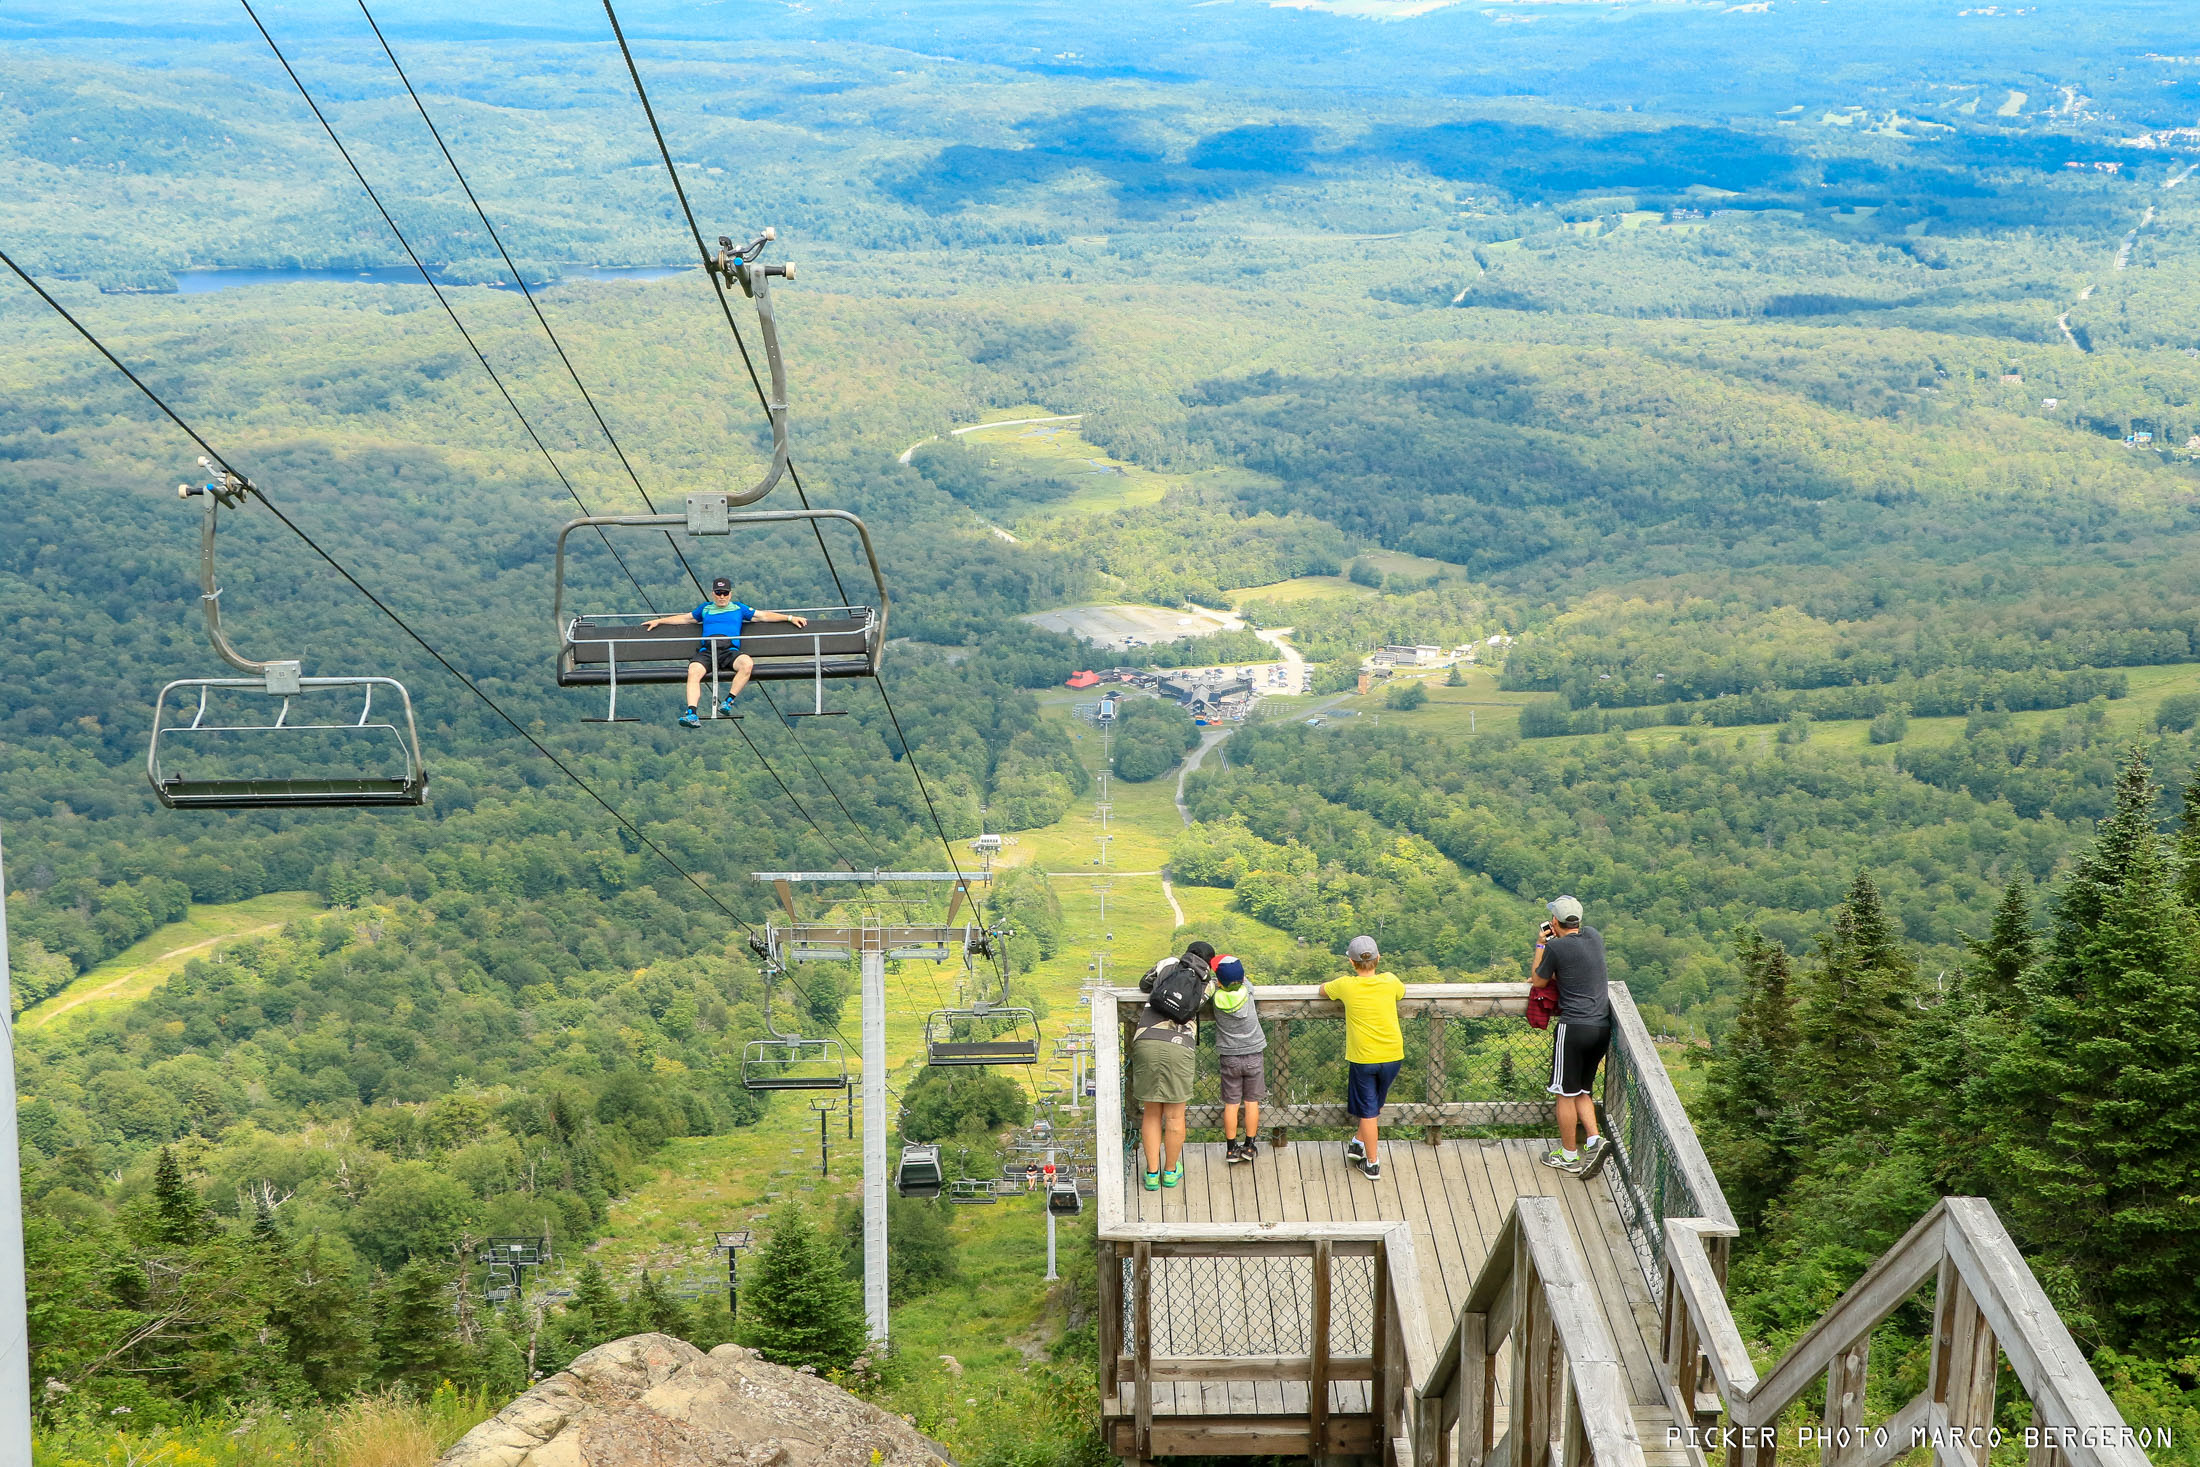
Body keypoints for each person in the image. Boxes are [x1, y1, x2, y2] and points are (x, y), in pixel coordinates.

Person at [643, 578, 808, 728]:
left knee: (747, 664)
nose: (722, 596)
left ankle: (728, 701)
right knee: (693, 671)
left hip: (729, 651)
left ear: (730, 594)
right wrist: (659, 621)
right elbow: (685, 619)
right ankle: (691, 713)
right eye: (718, 593)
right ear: (713, 594)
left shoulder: (739, 608)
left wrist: (789, 618)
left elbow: (763, 616)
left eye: (725, 593)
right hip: (707, 651)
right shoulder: (705, 609)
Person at [1532, 895, 1613, 1177]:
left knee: (1564, 1093)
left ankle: (1567, 1155)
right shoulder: (1593, 936)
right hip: (1601, 1026)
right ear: (1578, 920)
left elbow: (1539, 980)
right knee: (1582, 1089)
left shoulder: (1556, 947)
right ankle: (1593, 1140)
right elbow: (1577, 968)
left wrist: (1542, 943)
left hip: (1574, 1026)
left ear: (1554, 922)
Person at [1133, 941, 1216, 1191]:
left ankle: (1151, 1173)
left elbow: (1144, 984)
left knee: (1151, 1113)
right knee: (1175, 1115)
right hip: (1180, 1045)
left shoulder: (1168, 964)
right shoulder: (1208, 983)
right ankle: (1170, 1172)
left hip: (1147, 1038)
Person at [1322, 935, 1404, 1181]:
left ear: (1351, 962)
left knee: (1369, 1111)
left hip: (1364, 1058)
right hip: (1392, 1055)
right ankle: (1358, 1141)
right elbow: (1401, 993)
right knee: (1373, 1106)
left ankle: (1372, 1163)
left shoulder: (1345, 985)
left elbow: (1323, 990)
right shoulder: (1390, 981)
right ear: (1379, 958)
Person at [1211, 955, 1266, 1164]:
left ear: (1219, 982)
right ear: (1242, 980)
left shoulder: (1216, 998)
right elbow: (1246, 982)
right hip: (1254, 1054)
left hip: (1229, 1057)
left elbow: (1215, 987)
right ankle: (1249, 1146)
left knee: (1231, 1104)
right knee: (1252, 1102)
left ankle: (1231, 1148)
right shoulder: (1248, 992)